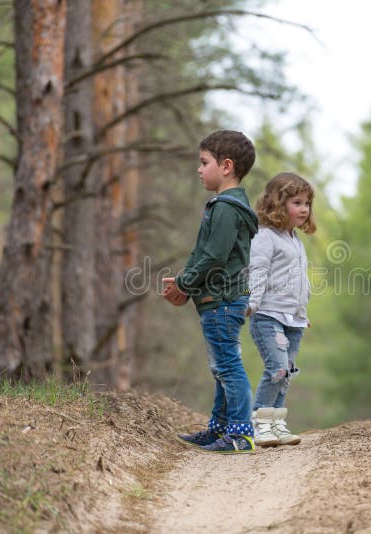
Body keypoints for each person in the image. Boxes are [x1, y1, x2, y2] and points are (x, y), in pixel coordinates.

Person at [162, 130, 259, 454]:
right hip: (221, 299)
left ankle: (241, 434)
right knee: (222, 368)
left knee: (227, 366)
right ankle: (219, 428)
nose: (199, 169)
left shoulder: (225, 208)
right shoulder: (230, 207)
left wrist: (184, 285)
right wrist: (184, 283)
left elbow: (213, 256)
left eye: (204, 162)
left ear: (226, 166)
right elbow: (206, 253)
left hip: (221, 300)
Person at [246, 172, 316, 447]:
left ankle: (276, 423)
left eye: (307, 203)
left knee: (286, 373)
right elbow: (258, 271)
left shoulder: (295, 239)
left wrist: (302, 311)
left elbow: (301, 278)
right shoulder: (266, 237)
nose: (304, 209)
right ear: (277, 203)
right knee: (276, 368)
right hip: (268, 315)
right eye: (297, 202)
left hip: (294, 318)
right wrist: (251, 303)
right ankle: (259, 423)